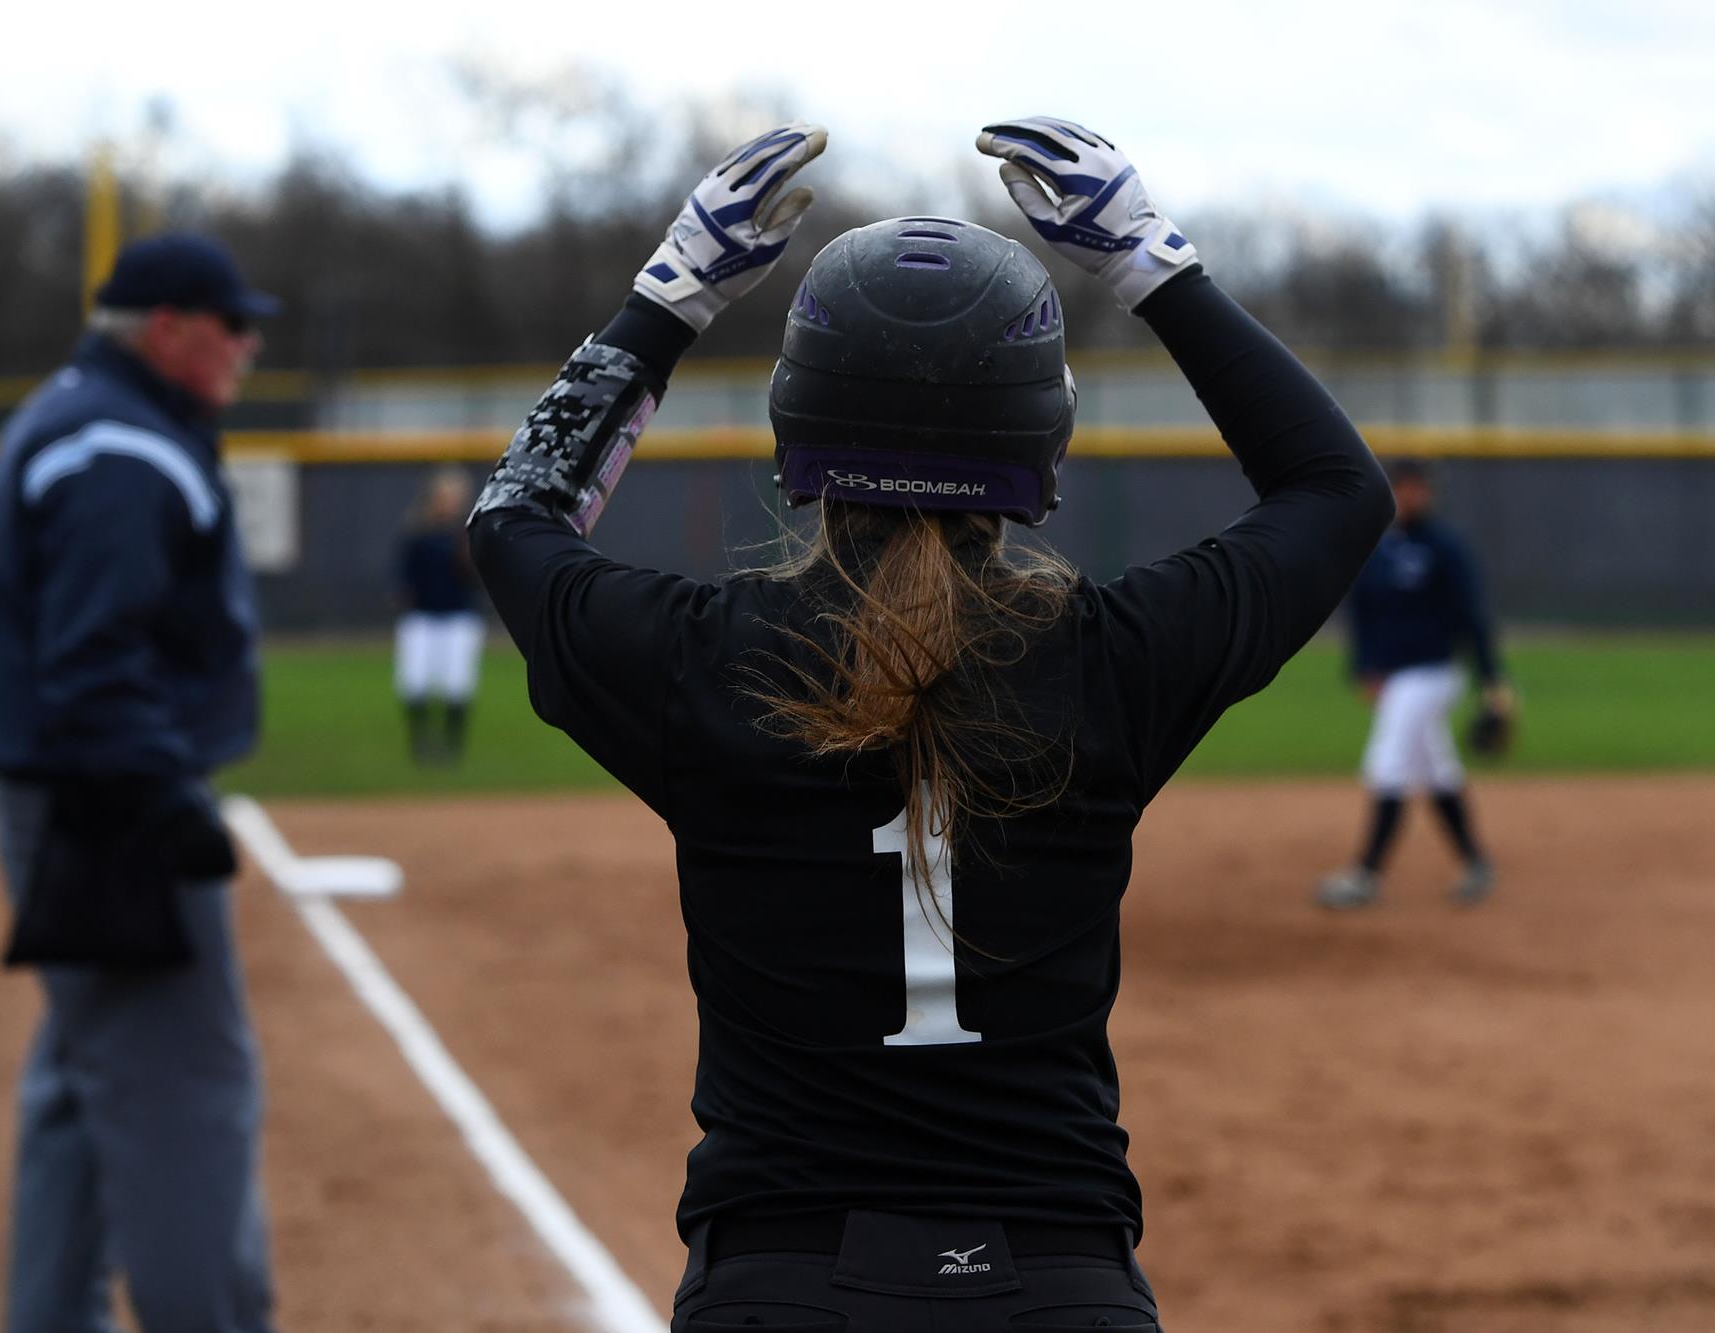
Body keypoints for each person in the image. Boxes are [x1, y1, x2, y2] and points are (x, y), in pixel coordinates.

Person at [467, 117, 1392, 1331]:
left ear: (796, 432)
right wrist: (1151, 266)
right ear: (1040, 441)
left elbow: (513, 518)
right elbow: (1337, 488)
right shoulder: (1111, 665)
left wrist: (672, 293)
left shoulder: (699, 664)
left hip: (779, 1283)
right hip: (1058, 1285)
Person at [0, 233, 278, 1332]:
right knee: (190, 1097)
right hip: (108, 807)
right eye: (231, 324)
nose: (246, 343)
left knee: (78, 1090)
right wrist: (161, 794)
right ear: (168, 328)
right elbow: (93, 660)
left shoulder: (95, 418)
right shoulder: (117, 445)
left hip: (77, 797)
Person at [1316, 457, 1513, 910]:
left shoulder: (1446, 547)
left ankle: (1366, 875)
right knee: (1435, 770)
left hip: (1433, 673)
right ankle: (1476, 862)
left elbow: (1472, 616)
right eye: (1400, 487)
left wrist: (1491, 678)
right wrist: (1363, 667)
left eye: (1415, 488)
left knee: (1389, 766)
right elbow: (1361, 613)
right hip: (1394, 676)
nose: (1409, 495)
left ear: (1428, 493)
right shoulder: (1376, 547)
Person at [393, 465, 486, 764]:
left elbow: (478, 578)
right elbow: (404, 577)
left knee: (458, 683)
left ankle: (451, 747)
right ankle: (420, 744)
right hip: (422, 617)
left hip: (458, 617)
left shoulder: (468, 534)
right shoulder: (418, 533)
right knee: (414, 682)